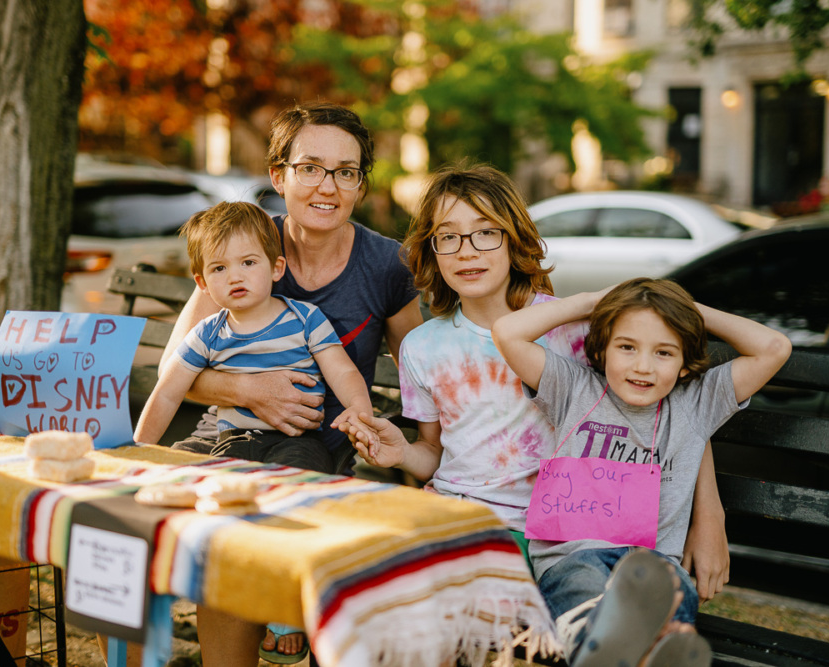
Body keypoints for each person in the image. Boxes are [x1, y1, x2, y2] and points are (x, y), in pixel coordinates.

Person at [343, 164, 734, 653]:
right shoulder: (423, 347)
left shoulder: (571, 332)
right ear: (431, 250)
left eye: (485, 233)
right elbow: (434, 454)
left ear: (513, 240)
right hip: (465, 519)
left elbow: (676, 414)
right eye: (449, 237)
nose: (467, 250)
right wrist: (401, 453)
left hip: (565, 533)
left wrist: (709, 519)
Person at [158, 102, 423, 667]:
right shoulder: (241, 247)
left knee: (315, 526)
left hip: (318, 463)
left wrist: (417, 452)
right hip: (229, 447)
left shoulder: (386, 266)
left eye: (345, 172)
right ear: (279, 176)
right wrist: (248, 392)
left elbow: (422, 376)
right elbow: (173, 370)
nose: (327, 186)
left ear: (359, 184)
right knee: (225, 530)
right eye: (311, 167)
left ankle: (293, 602)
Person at [490, 277, 791, 665]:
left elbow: (774, 347)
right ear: (600, 351)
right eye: (627, 347)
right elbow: (507, 333)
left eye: (664, 352)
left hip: (655, 563)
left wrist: (683, 309)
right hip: (574, 556)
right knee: (583, 588)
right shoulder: (573, 389)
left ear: (685, 365)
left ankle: (655, 649)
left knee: (669, 592)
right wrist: (595, 301)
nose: (643, 366)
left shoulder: (697, 403)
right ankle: (595, 641)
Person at [133, 200, 377, 467]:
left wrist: (360, 412)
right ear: (202, 283)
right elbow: (167, 393)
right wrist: (139, 448)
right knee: (178, 459)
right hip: (227, 440)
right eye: (219, 268)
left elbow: (342, 372)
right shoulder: (207, 333)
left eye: (248, 262)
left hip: (295, 441)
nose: (235, 277)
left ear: (276, 268)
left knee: (299, 469)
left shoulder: (305, 318)